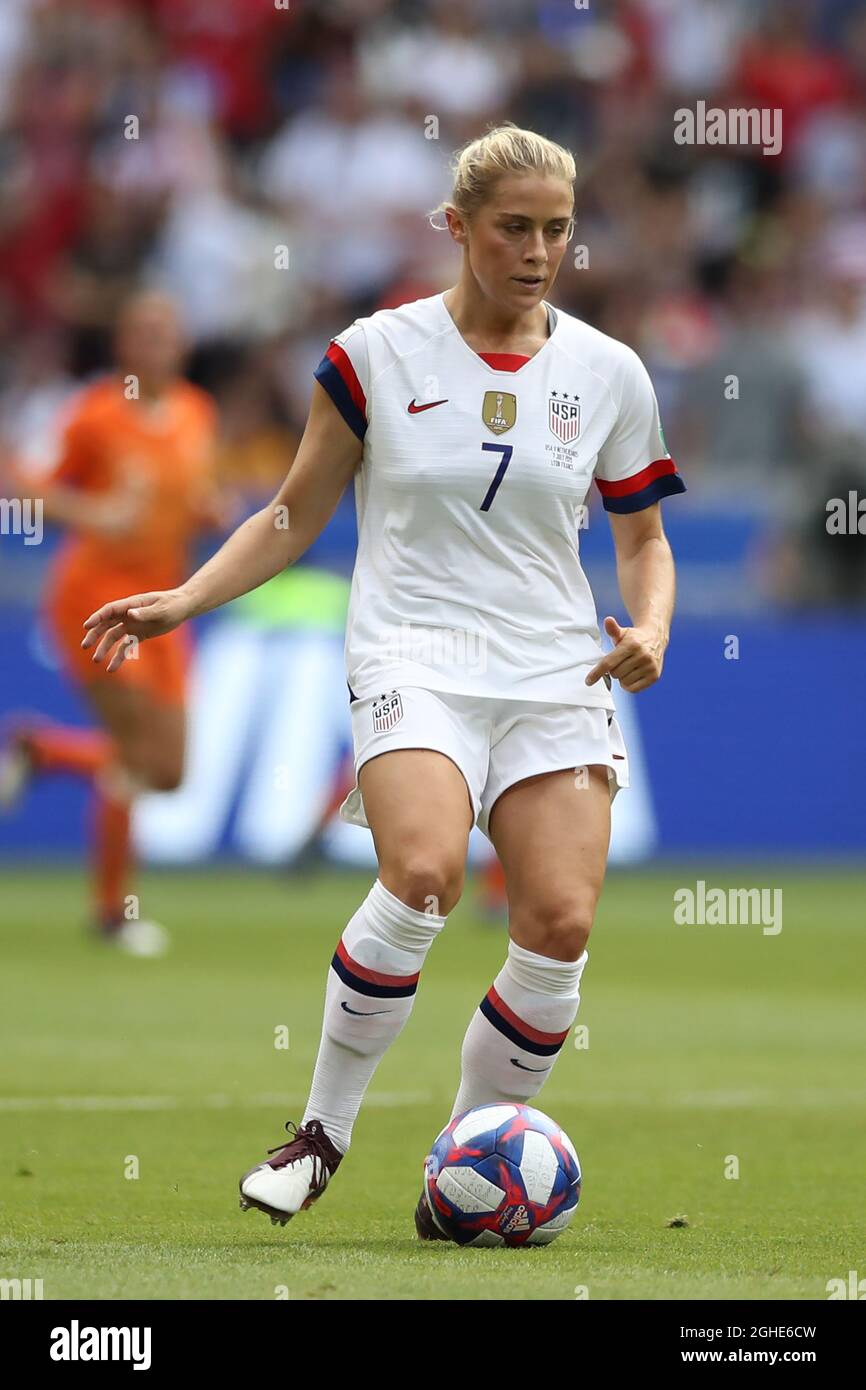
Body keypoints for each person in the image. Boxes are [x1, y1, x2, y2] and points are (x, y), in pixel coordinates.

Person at [80, 125, 685, 1237]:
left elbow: (642, 539)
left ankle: (461, 1167)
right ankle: (319, 1134)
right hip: (414, 652)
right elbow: (291, 513)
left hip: (555, 668)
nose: (537, 251)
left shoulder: (609, 372)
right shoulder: (375, 353)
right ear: (456, 226)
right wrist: (183, 598)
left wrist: (649, 624)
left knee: (558, 923)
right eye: (512, 227)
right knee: (420, 872)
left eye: (556, 230)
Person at [1, 291, 221, 956]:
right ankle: (111, 912)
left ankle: (43, 751)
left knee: (170, 771)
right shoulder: (94, 414)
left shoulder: (196, 412)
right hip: (97, 601)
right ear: (123, 345)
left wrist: (206, 509)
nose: (157, 344)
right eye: (144, 332)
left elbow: (187, 498)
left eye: (167, 332)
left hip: (164, 606)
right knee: (134, 752)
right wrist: (94, 513)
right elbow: (26, 490)